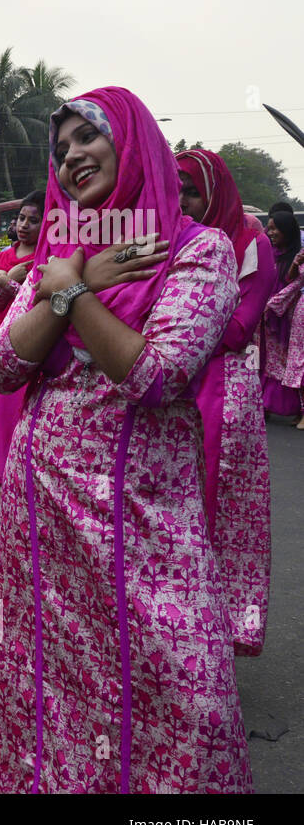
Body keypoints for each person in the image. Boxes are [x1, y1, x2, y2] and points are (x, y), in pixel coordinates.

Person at [0, 86, 251, 792]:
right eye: (61, 147)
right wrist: (69, 276)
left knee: (184, 702)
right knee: (61, 693)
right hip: (43, 520)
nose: (72, 155)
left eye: (87, 137)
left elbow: (159, 376)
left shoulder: (199, 251)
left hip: (142, 523)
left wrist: (74, 295)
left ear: (131, 144)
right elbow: (0, 367)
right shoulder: (57, 252)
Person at [176, 148, 274, 657]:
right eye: (176, 190)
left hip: (224, 397)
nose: (183, 202)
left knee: (223, 519)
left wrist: (174, 333)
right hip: (174, 389)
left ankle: (220, 632)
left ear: (215, 191)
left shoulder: (251, 244)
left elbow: (236, 330)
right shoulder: (168, 240)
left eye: (192, 190)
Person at [0, 190, 43, 519]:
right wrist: (6, 282)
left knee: (30, 429)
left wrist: (18, 281)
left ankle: (9, 497)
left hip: (38, 354)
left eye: (34, 220)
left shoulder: (51, 256)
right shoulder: (1, 259)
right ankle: (10, 490)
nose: (25, 225)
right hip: (6, 355)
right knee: (5, 426)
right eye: (21, 219)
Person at [261, 209, 304, 419]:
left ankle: (294, 407)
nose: (270, 233)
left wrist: (272, 305)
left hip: (287, 317)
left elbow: (293, 283)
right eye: (269, 228)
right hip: (268, 316)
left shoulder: (296, 257)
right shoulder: (268, 253)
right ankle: (267, 404)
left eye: (274, 228)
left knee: (287, 361)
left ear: (287, 231)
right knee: (269, 360)